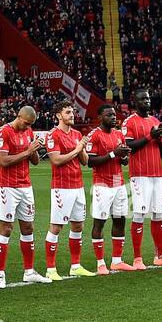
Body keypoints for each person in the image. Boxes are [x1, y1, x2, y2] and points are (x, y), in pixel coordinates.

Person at [0, 105, 51, 287]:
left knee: (28, 228)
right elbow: (4, 161)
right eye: (26, 123)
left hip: (26, 186)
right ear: (19, 116)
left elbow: (34, 162)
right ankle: (0, 274)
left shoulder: (29, 132)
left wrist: (35, 149)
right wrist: (27, 151)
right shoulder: (3, 132)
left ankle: (29, 271)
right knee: (6, 228)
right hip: (8, 187)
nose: (28, 127)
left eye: (30, 125)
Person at [44, 99, 93, 279]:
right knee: (56, 227)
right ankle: (50, 269)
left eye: (72, 112)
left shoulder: (77, 134)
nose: (71, 115)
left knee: (78, 225)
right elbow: (56, 160)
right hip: (61, 187)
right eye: (67, 113)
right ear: (58, 115)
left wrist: (81, 148)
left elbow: (85, 161)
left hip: (78, 186)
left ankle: (75, 265)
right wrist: (77, 148)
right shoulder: (53, 135)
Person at [122, 88, 162, 268]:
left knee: (158, 214)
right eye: (143, 99)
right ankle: (137, 258)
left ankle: (160, 255)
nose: (147, 102)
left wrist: (160, 138)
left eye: (148, 99)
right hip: (140, 174)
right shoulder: (130, 122)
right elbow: (129, 147)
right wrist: (150, 136)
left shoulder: (155, 121)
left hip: (157, 174)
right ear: (135, 101)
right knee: (140, 213)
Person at [86, 103, 134, 275]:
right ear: (100, 117)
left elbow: (124, 160)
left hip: (118, 182)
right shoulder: (94, 136)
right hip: (102, 184)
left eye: (114, 115)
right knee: (100, 221)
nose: (113, 118)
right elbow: (90, 162)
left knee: (120, 220)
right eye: (109, 115)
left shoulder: (119, 134)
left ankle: (116, 261)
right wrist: (114, 153)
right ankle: (100, 263)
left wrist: (124, 157)